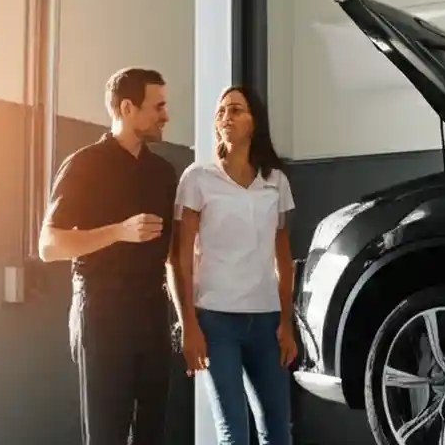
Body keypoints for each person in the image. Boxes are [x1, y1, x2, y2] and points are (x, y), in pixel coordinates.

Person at [39, 67, 178, 445]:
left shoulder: (164, 173)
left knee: (153, 431)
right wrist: (119, 231)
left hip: (153, 313)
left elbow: (174, 256)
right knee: (106, 433)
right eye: (158, 106)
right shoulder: (84, 164)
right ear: (128, 107)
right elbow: (49, 245)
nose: (166, 115)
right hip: (102, 312)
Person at [171, 85, 297, 445]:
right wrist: (188, 326)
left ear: (254, 122)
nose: (226, 117)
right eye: (222, 111)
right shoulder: (198, 178)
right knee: (234, 434)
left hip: (266, 323)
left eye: (237, 110)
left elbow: (284, 260)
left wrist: (286, 324)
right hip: (215, 321)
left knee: (277, 431)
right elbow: (180, 258)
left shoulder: (276, 182)